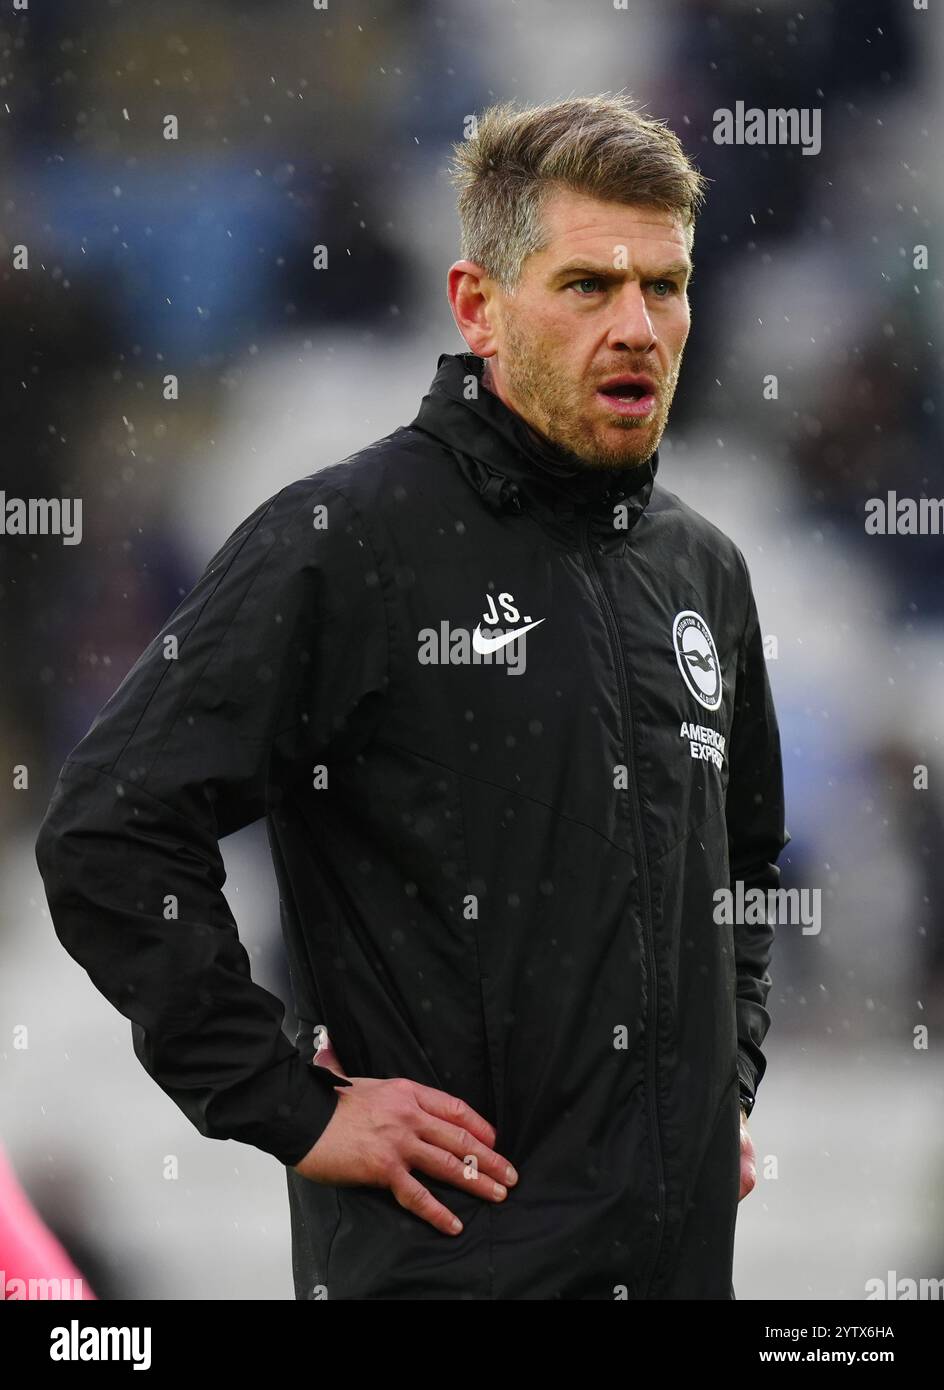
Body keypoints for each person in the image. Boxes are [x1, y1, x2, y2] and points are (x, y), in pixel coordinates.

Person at [35, 94, 788, 1300]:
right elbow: (108, 829)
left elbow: (742, 867)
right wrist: (287, 1100)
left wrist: (713, 1088)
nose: (638, 325)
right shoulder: (349, 543)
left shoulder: (701, 568)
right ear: (477, 308)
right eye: (587, 286)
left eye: (665, 284)